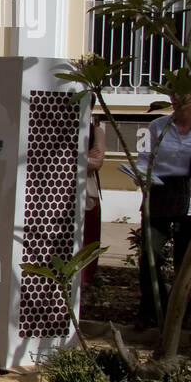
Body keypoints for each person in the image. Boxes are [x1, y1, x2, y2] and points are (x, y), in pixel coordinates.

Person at [135, 94, 191, 326]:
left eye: (185, 93)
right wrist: (141, 176)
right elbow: (143, 160)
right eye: (175, 93)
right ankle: (150, 311)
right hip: (158, 197)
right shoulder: (155, 126)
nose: (179, 98)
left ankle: (181, 314)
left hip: (189, 200)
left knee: (185, 262)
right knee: (151, 256)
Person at [82, 117, 105, 286]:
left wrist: (68, 157)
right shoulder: (56, 126)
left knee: (87, 242)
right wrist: (84, 158)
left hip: (87, 193)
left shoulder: (95, 131)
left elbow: (96, 162)